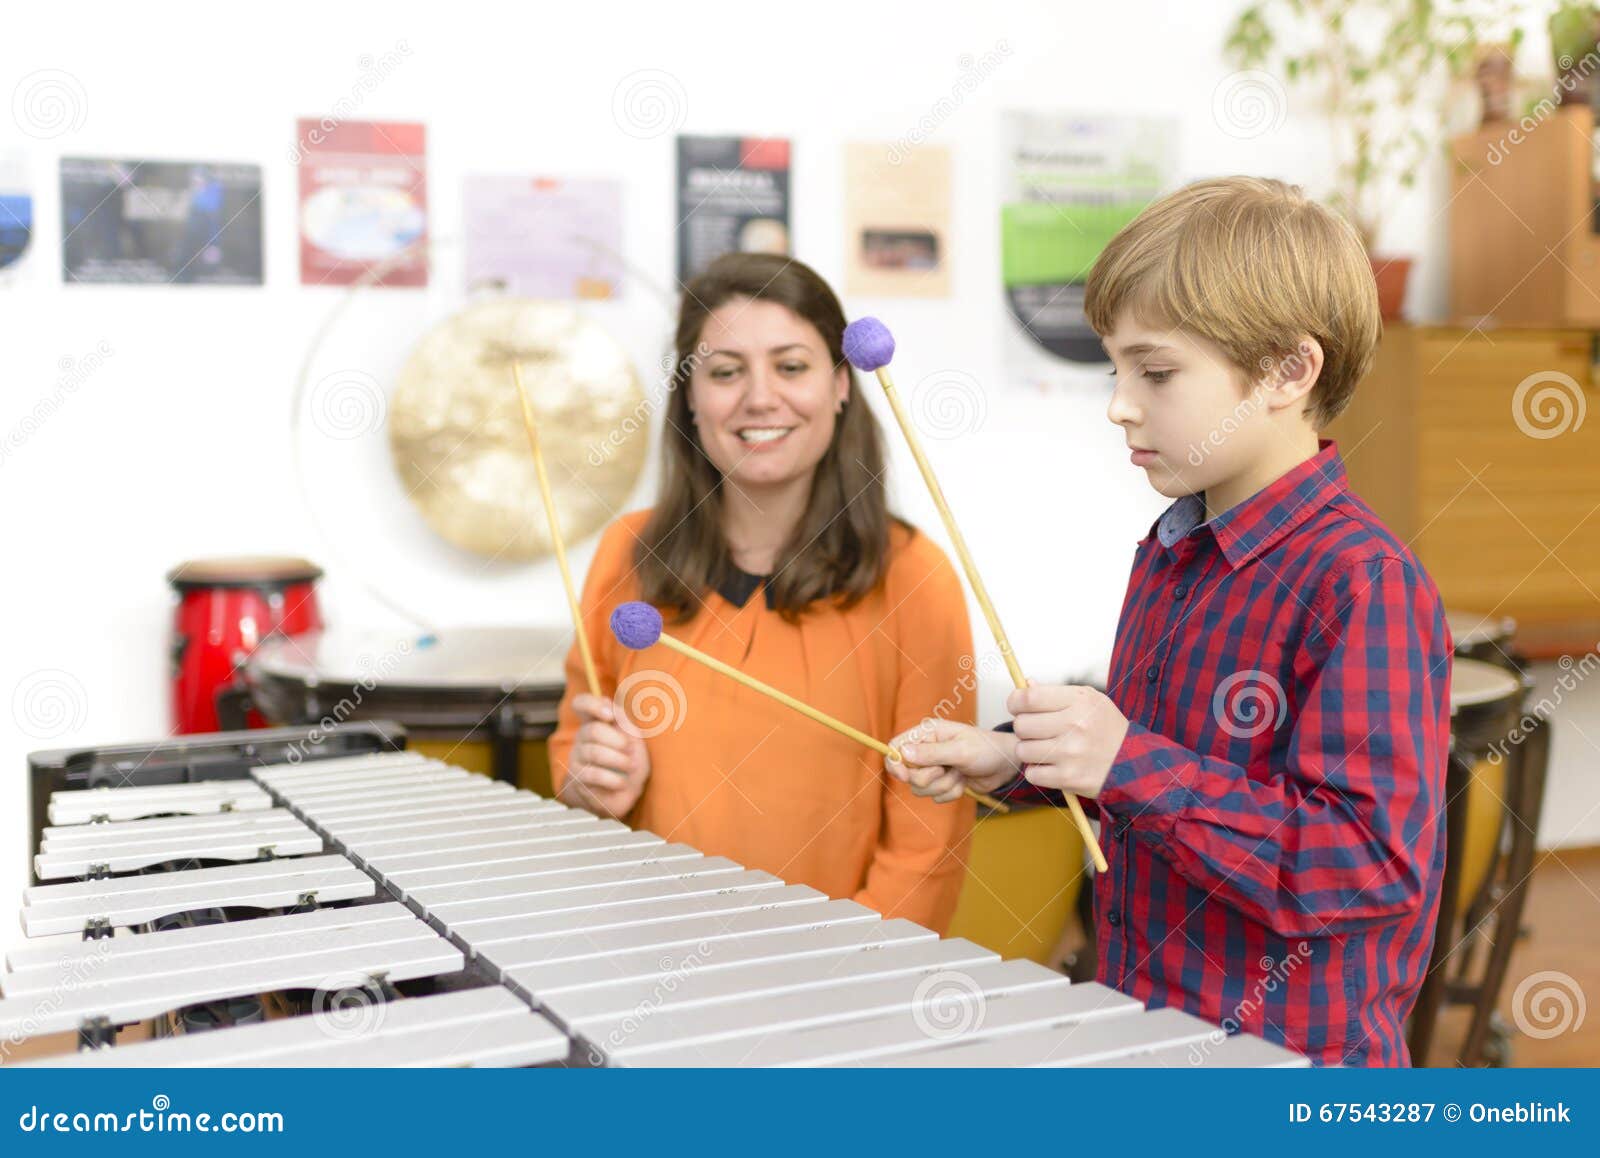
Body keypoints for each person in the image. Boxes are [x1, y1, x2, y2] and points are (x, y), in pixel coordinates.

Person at [890, 177, 1451, 1064]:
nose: (1119, 403)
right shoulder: (1172, 549)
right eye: (1115, 369)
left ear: (1288, 371)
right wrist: (1016, 759)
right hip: (1149, 1034)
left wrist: (1126, 762)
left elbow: (1365, 866)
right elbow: (1155, 761)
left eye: (1154, 373)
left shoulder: (1361, 582)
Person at [549, 252, 975, 932]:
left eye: (792, 366)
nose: (759, 398)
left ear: (841, 384)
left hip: (833, 970)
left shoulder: (915, 577)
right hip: (644, 948)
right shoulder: (625, 553)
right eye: (725, 372)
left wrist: (851, 968)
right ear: (691, 398)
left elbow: (928, 841)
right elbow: (576, 750)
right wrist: (588, 786)